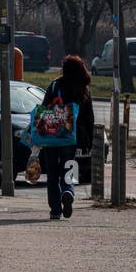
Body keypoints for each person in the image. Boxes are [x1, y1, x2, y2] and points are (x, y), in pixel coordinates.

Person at [41, 55, 95, 221]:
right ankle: (68, 191)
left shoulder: (56, 85)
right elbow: (89, 118)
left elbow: (44, 108)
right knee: (69, 167)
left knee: (52, 173)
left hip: (52, 134)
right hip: (71, 136)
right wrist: (89, 141)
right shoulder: (83, 89)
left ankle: (55, 210)